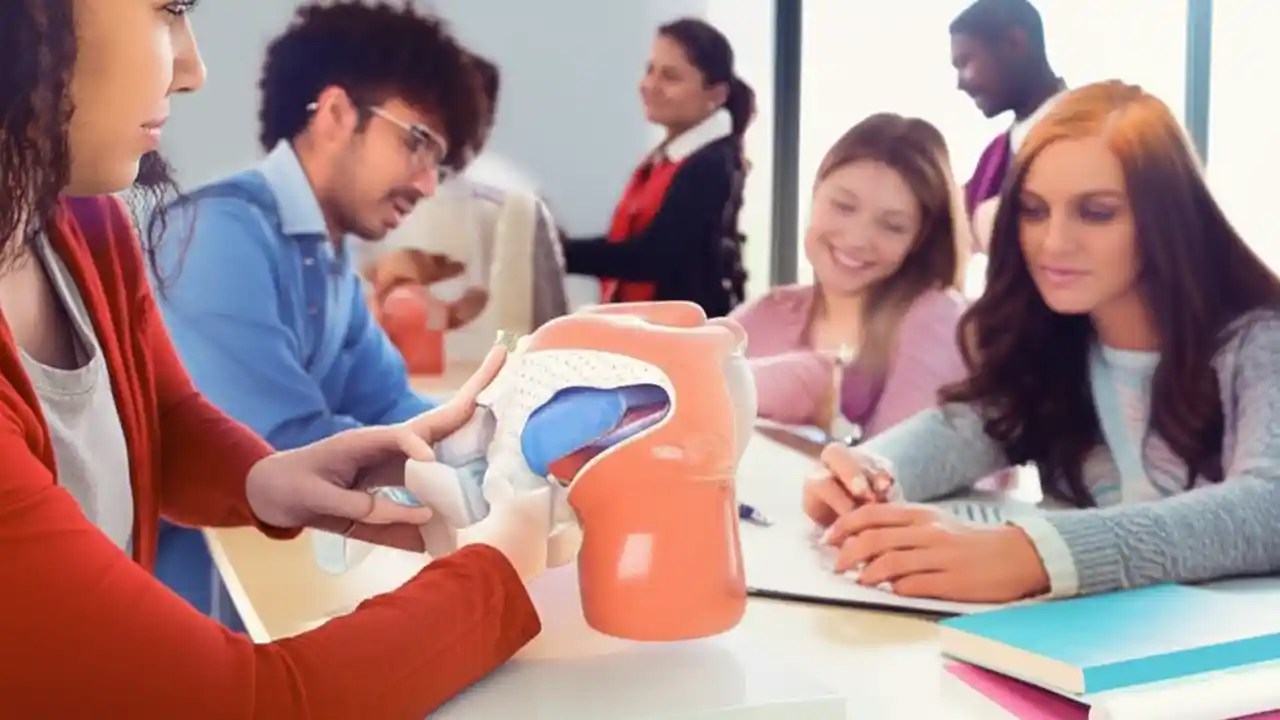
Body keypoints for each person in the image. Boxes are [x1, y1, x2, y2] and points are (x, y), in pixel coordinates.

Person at [0, 1, 551, 715]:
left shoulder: (87, 221)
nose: (193, 70)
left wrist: (264, 479)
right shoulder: (219, 233)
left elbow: (163, 416)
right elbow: (252, 701)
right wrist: (501, 570)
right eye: (168, 9)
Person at [802, 81, 1280, 605]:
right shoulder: (1054, 347)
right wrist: (866, 476)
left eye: (1096, 212)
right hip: (1086, 639)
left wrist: (1037, 554)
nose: (1053, 243)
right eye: (1033, 211)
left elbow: (1269, 504)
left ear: (1168, 217)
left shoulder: (1259, 340)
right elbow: (962, 429)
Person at [151, 2, 490, 451]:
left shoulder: (329, 259)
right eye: (416, 142)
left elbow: (391, 406)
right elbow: (279, 445)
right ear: (335, 115)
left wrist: (502, 425)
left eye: (438, 167)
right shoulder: (214, 236)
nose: (428, 186)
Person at [731, 114, 969, 440]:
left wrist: (812, 384)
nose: (858, 239)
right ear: (816, 194)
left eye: (892, 226)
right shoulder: (769, 312)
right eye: (843, 207)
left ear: (919, 239)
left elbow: (899, 461)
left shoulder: (937, 320)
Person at [561, 18, 753, 318]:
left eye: (670, 77)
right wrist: (561, 248)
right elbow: (630, 245)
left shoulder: (711, 164)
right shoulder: (671, 158)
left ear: (716, 95)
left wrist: (560, 252)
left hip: (680, 335)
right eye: (650, 70)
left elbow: (655, 256)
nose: (649, 85)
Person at [951, 0, 1067, 251]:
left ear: (1016, 43)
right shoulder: (994, 156)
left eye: (965, 61)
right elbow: (950, 225)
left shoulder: (1095, 131)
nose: (960, 83)